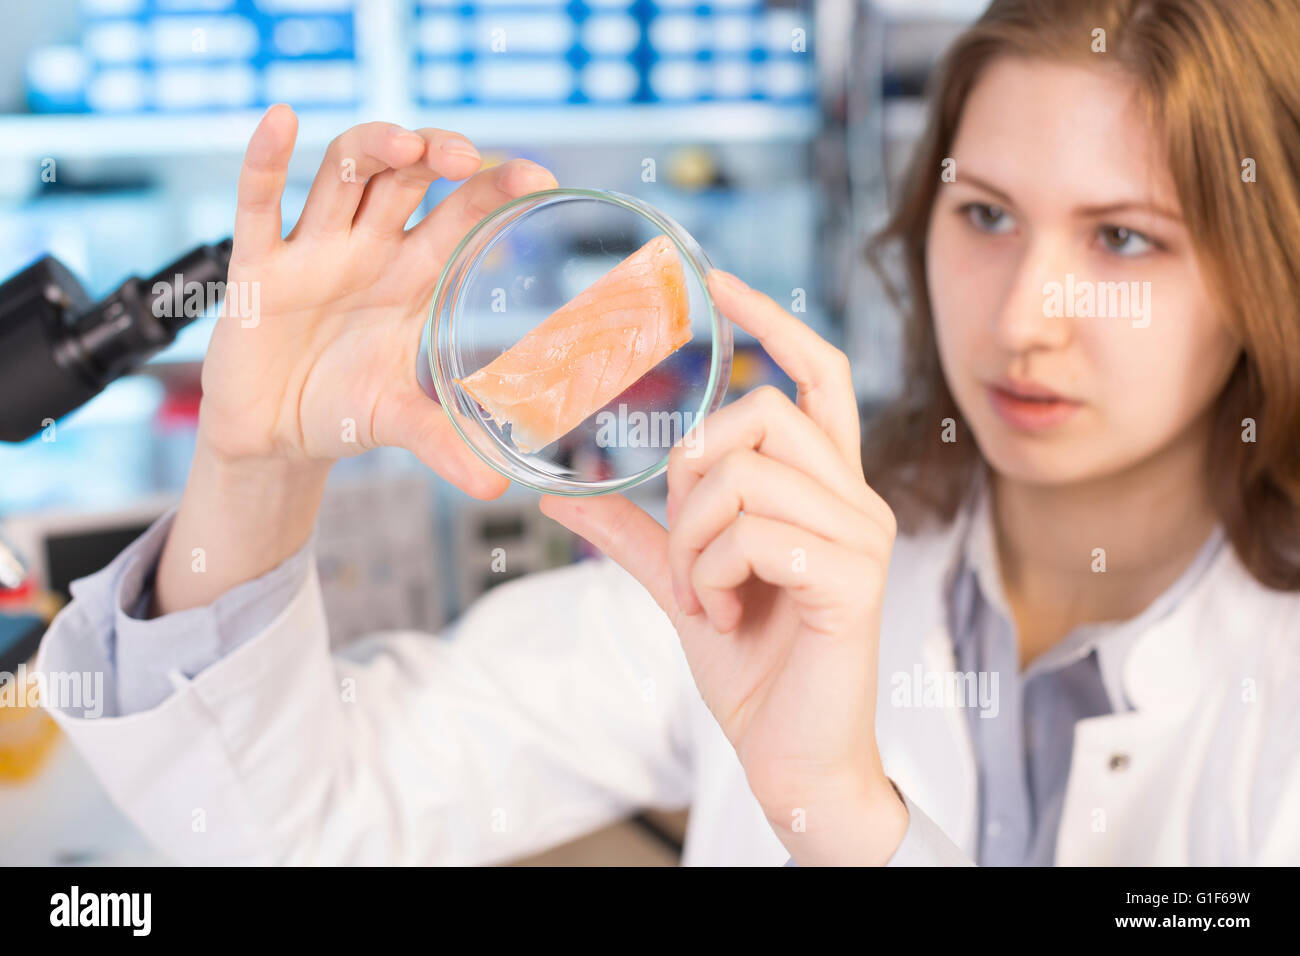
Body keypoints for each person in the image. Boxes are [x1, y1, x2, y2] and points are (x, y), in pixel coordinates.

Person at [36, 0, 1300, 865]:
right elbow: (285, 824)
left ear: (1267, 266)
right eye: (983, 216)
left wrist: (842, 816)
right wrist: (258, 467)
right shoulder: (750, 553)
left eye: (1123, 237)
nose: (1027, 316)